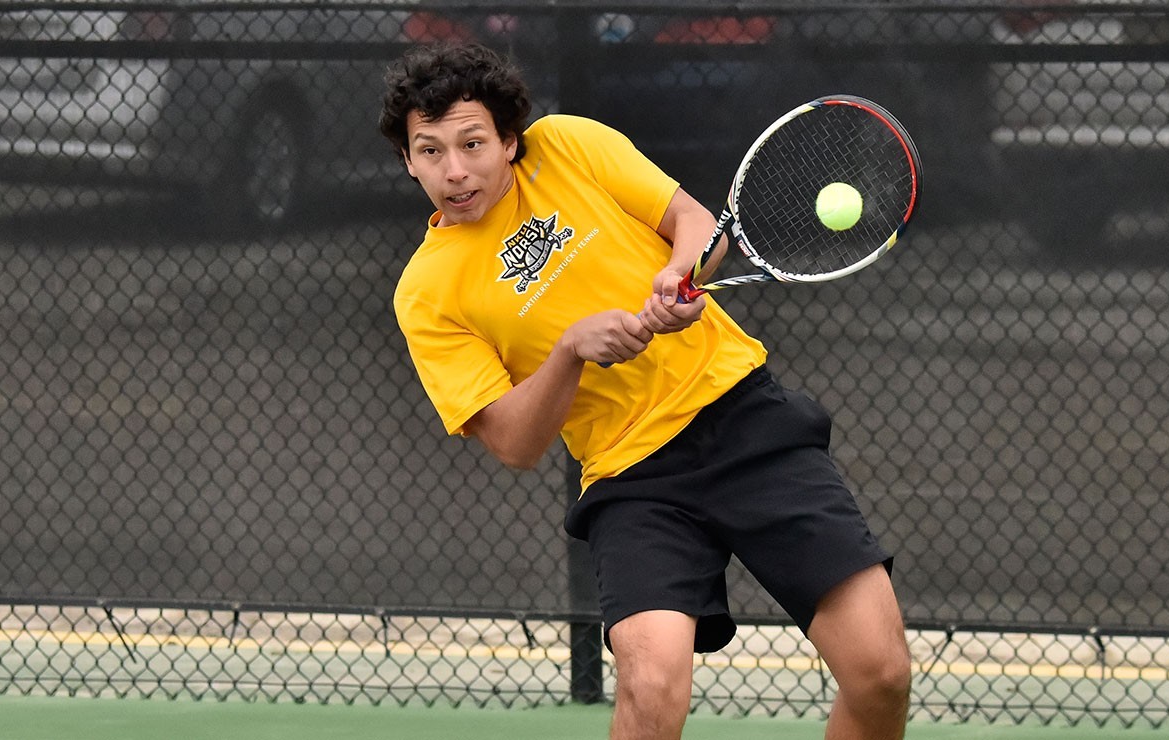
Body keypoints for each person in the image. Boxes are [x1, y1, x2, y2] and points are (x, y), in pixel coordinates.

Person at [378, 42, 910, 740]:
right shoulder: (425, 292)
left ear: (509, 141)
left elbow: (694, 225)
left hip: (743, 420)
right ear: (408, 161)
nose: (455, 170)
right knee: (652, 690)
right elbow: (513, 442)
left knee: (881, 674)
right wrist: (570, 352)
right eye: (430, 151)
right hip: (634, 479)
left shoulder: (569, 144)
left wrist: (679, 277)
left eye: (473, 143)